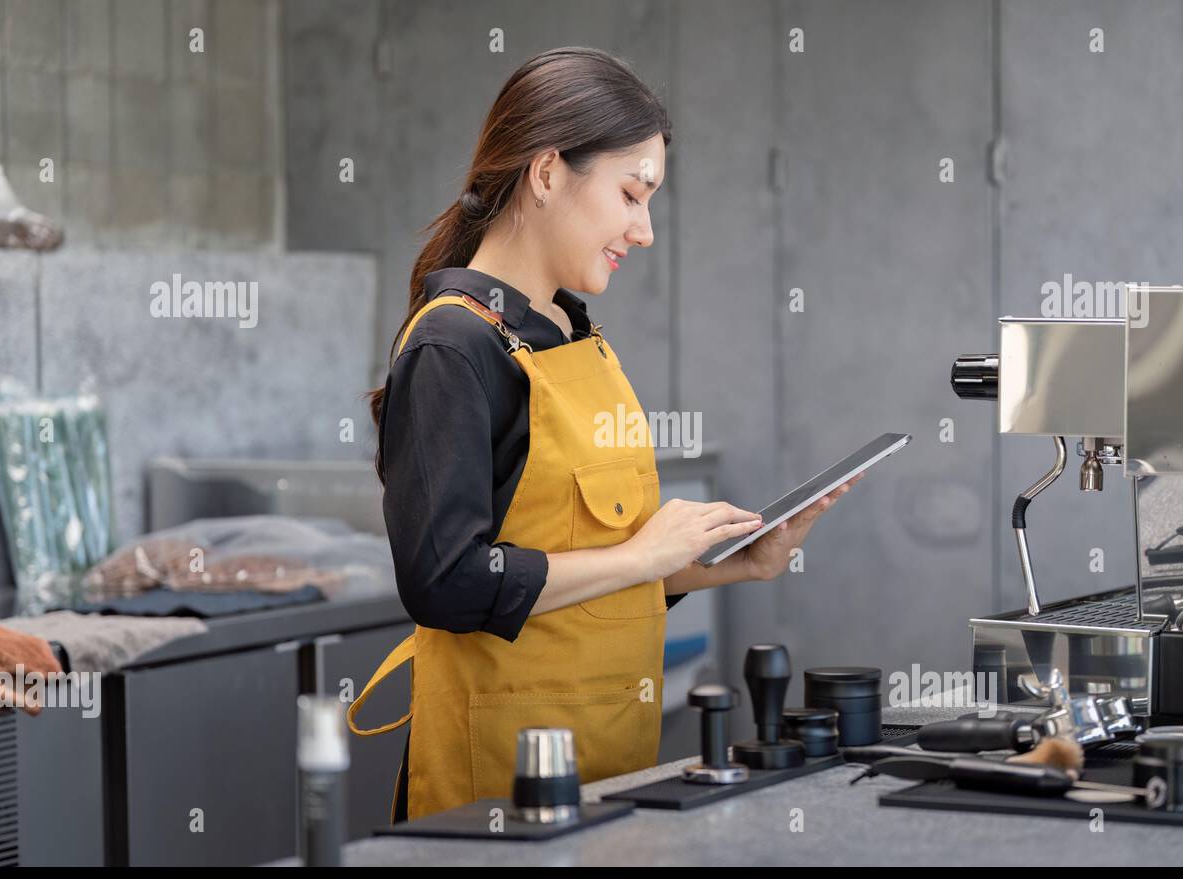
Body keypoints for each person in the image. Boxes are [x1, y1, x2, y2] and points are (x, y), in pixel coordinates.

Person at [346, 47, 859, 821]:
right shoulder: (454, 347)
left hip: (608, 769)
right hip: (500, 787)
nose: (644, 230)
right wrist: (643, 553)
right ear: (547, 173)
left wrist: (723, 567)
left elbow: (591, 572)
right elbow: (445, 584)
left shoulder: (570, 337)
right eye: (630, 194)